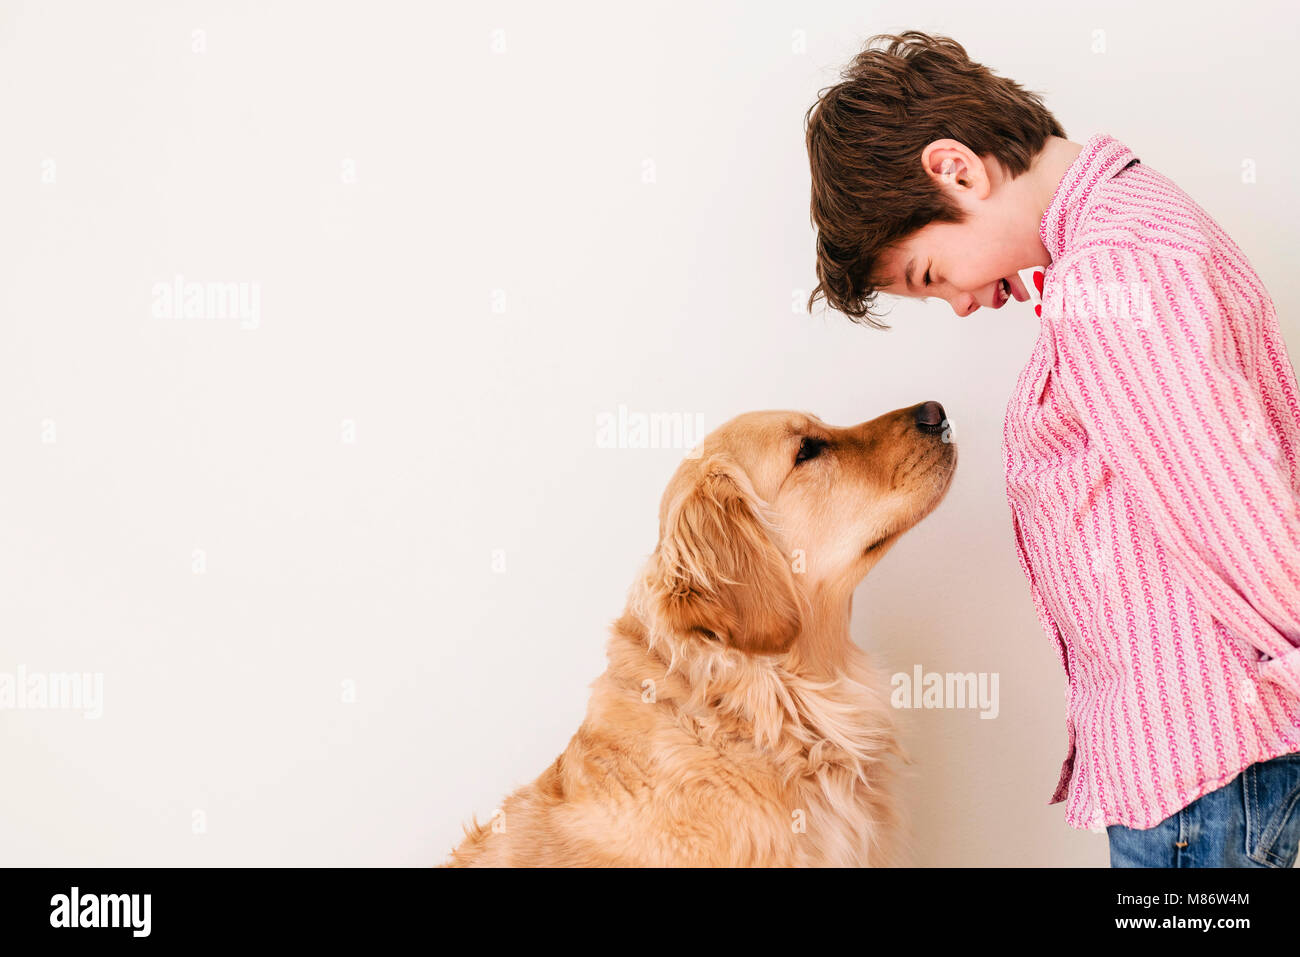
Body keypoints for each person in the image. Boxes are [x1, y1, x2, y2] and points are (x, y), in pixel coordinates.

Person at [803, 30, 1300, 867]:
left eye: (929, 274)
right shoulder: (1132, 233)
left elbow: (1231, 506)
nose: (958, 302)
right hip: (1211, 763)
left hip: (1202, 766)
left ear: (956, 168)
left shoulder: (1113, 274)